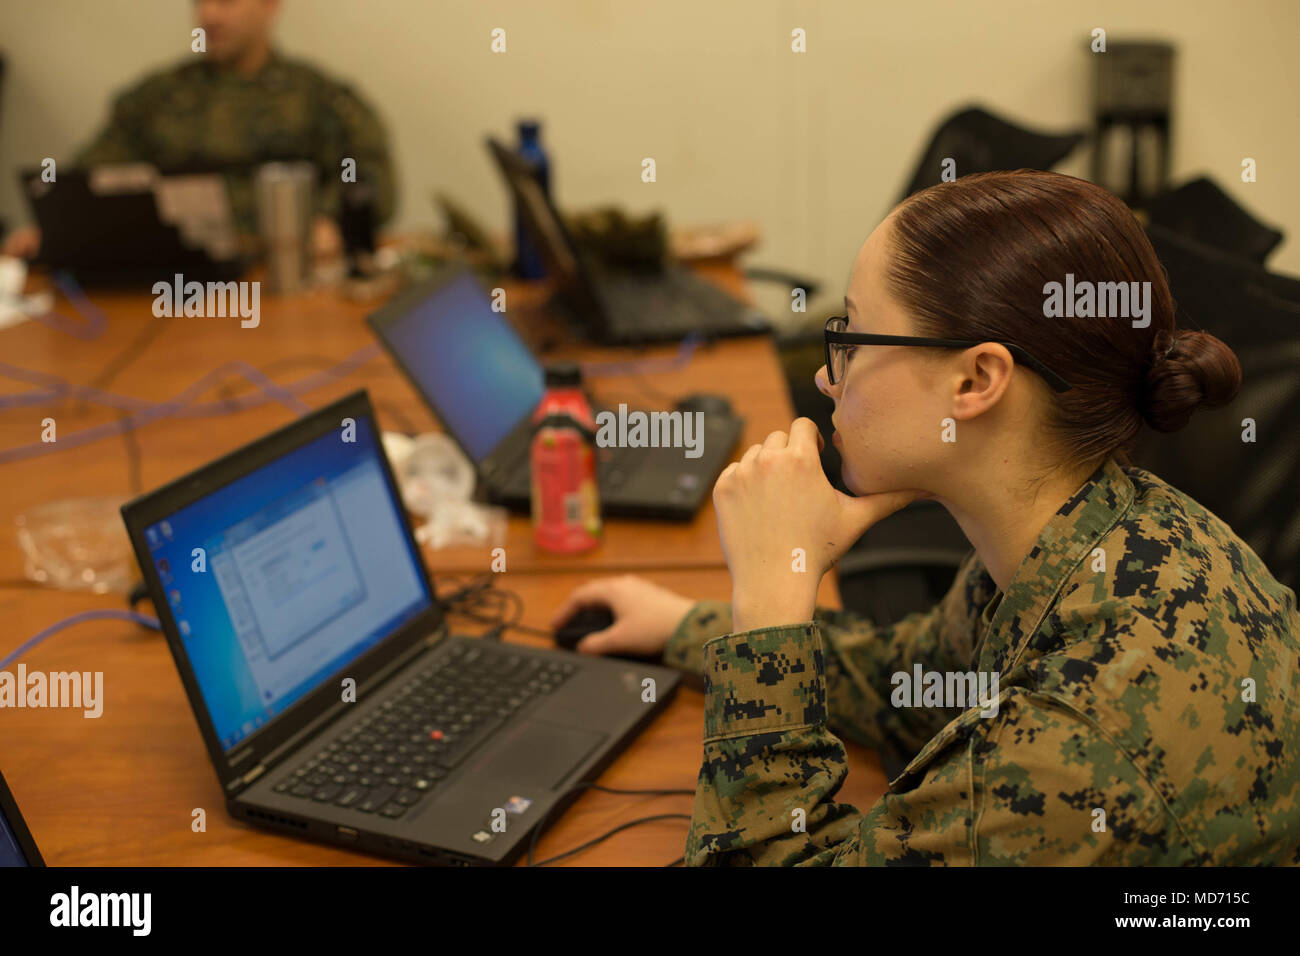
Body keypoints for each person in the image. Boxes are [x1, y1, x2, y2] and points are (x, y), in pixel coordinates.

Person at [551, 169, 1300, 865]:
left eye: (853, 335)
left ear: (975, 379)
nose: (823, 374)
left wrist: (774, 594)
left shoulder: (1080, 744)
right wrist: (685, 624)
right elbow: (915, 683)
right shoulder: (1088, 530)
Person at [2, 0, 394, 260]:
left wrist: (331, 221)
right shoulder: (156, 97)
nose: (209, 17)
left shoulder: (317, 96)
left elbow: (364, 172)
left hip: (280, 275)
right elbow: (92, 176)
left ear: (270, 5)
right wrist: (57, 227)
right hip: (171, 287)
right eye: (200, 1)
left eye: (226, 0)